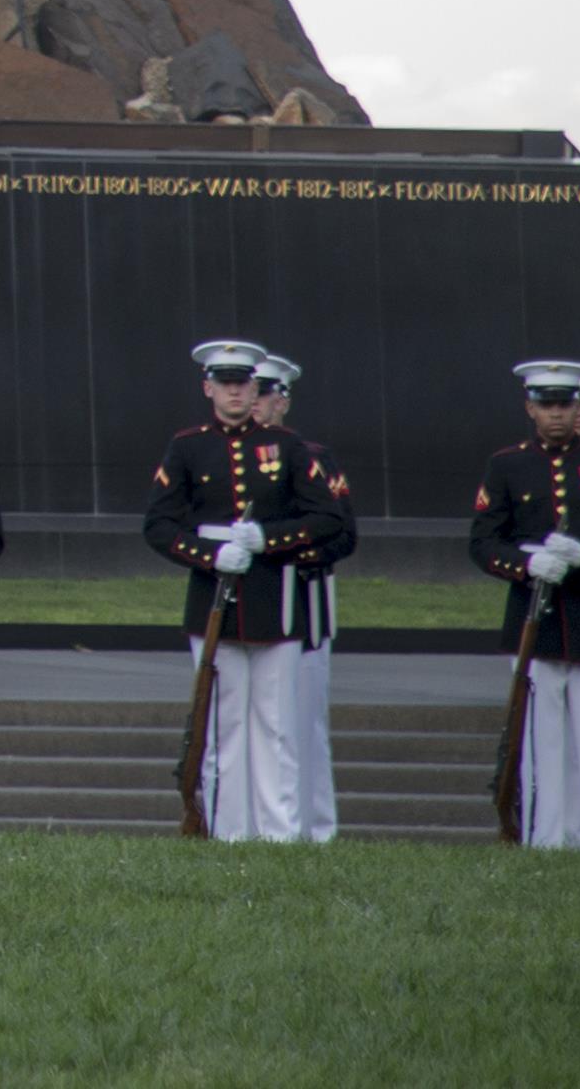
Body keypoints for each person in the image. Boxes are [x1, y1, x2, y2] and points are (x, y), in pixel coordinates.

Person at [147, 335, 342, 841]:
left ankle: (279, 834)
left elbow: (327, 518)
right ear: (208, 388)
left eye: (243, 384)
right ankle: (229, 831)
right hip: (212, 600)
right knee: (222, 725)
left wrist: (267, 539)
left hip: (274, 600)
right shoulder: (187, 447)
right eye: (225, 383)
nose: (235, 392)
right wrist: (208, 554)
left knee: (277, 727)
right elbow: (159, 525)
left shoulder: (288, 447)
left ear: (255, 389)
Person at [476, 359, 580, 850]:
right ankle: (543, 838)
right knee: (539, 738)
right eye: (547, 404)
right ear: (530, 408)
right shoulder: (507, 465)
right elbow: (484, 542)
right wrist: (526, 564)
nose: (556, 413)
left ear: (579, 408)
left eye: (565, 404)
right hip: (532, 619)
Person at [246, 353, 352, 840]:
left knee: (303, 723)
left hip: (302, 600)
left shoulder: (310, 456)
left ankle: (314, 828)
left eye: (266, 392)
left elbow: (342, 534)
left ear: (283, 401)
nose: (257, 401)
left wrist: (280, 548)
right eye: (252, 390)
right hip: (246, 599)